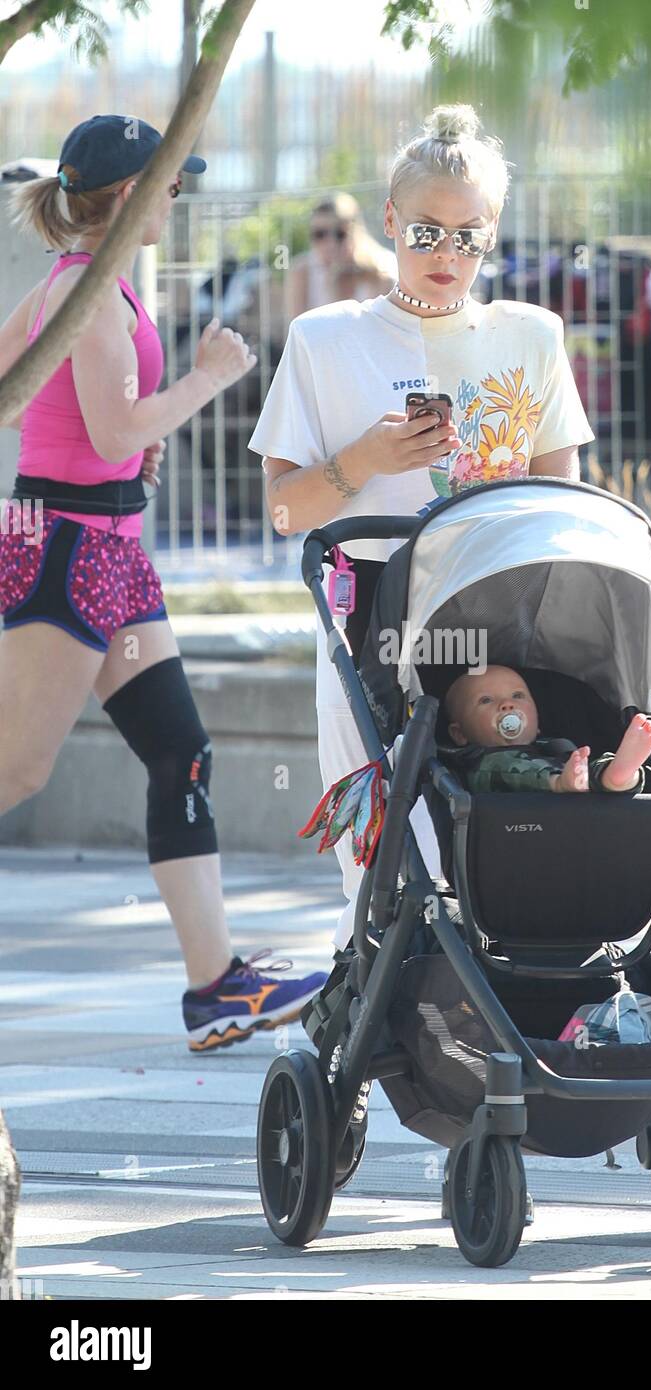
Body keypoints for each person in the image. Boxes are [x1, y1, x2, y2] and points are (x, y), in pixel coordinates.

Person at [0, 114, 326, 1050]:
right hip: (62, 546)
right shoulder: (85, 292)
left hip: (109, 546)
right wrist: (211, 378)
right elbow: (113, 428)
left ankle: (215, 985)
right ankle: (215, 980)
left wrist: (109, 457)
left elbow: (54, 405)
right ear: (131, 193)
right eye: (170, 183)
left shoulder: (93, 289)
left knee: (180, 751)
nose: (177, 197)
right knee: (18, 768)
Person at [249, 102, 595, 955]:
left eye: (469, 236)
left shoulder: (530, 334)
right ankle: (367, 1028)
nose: (447, 256)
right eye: (428, 233)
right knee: (381, 862)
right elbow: (287, 510)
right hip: (371, 620)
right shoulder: (327, 340)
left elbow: (566, 505)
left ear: (494, 231)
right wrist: (365, 457)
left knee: (507, 825)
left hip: (504, 616)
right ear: (391, 221)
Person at [443, 665, 651, 796]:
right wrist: (560, 781)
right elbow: (517, 773)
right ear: (459, 734)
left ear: (537, 724)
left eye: (517, 696)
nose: (507, 705)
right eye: (486, 700)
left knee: (587, 763)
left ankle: (619, 774)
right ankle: (565, 782)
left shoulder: (554, 746)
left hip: (580, 796)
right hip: (512, 805)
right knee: (510, 768)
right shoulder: (481, 765)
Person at [284, 193, 397, 320]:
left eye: (339, 234)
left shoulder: (382, 268)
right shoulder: (302, 272)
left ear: (356, 231)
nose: (330, 243)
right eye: (319, 234)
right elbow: (297, 330)